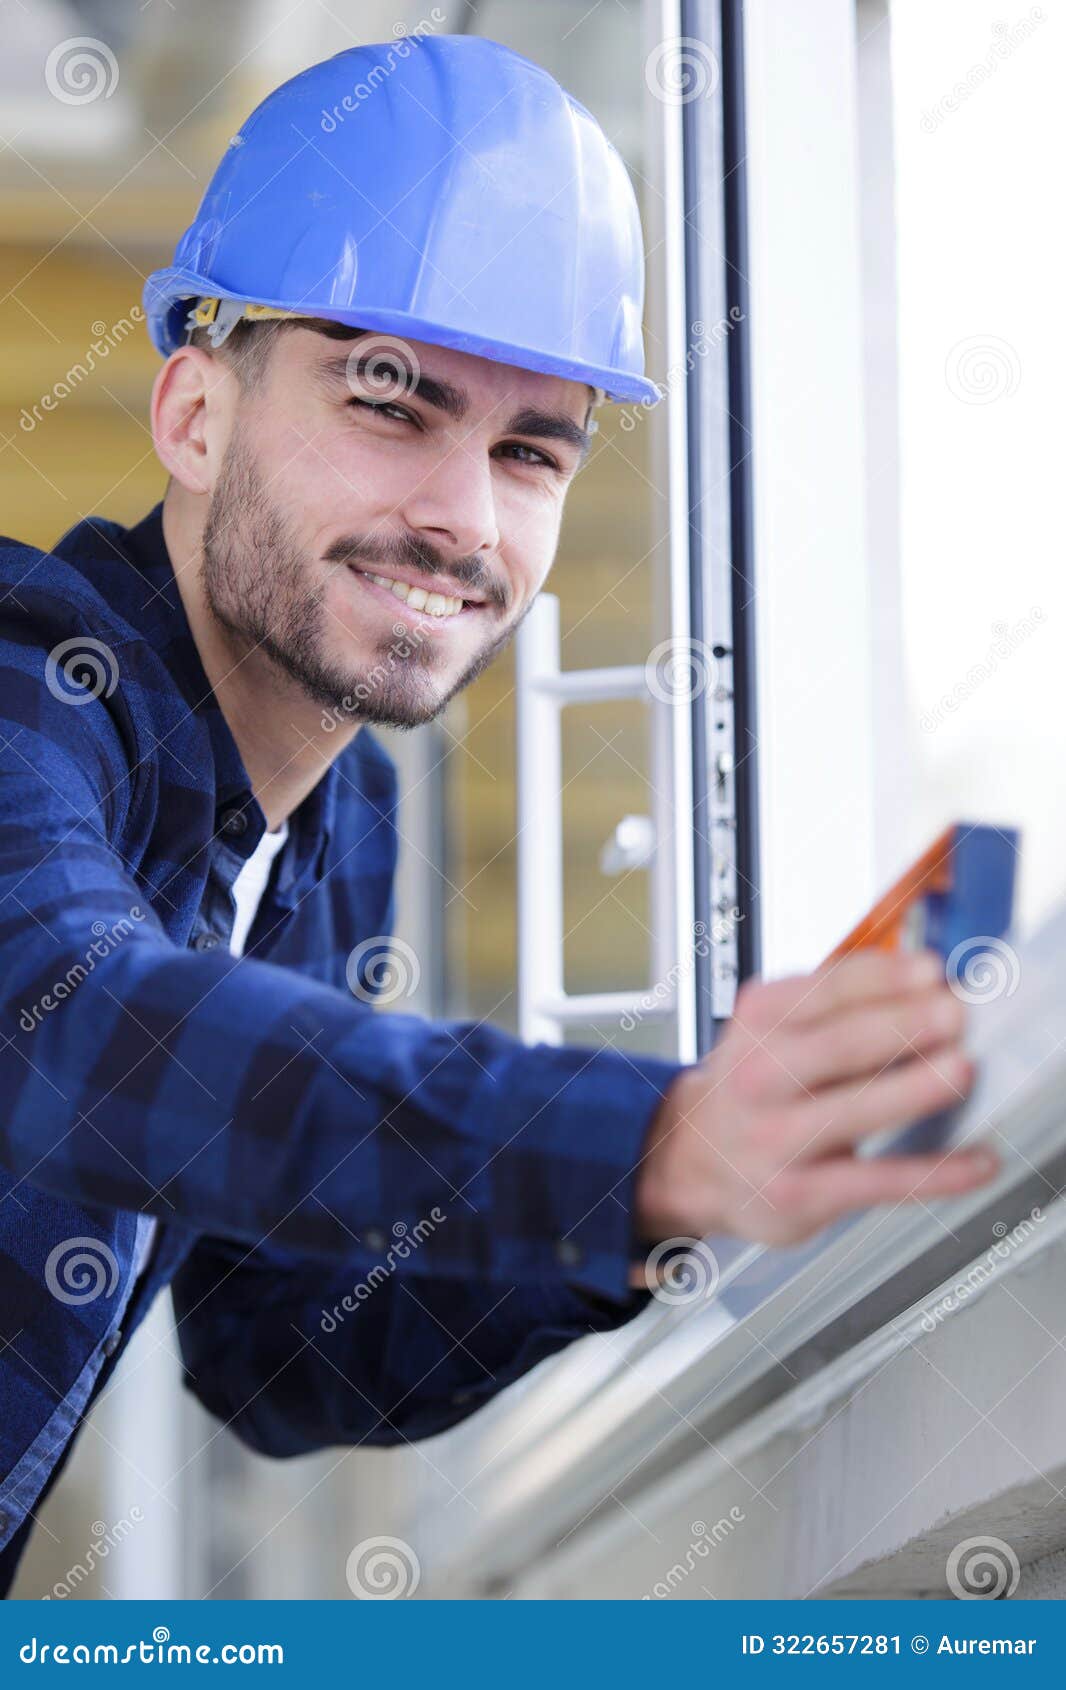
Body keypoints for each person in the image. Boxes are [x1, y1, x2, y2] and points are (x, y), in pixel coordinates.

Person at [0, 33, 996, 1594]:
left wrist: (690, 1187)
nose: (465, 517)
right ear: (193, 413)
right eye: (392, 401)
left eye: (530, 449)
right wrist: (641, 1142)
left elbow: (284, 1349)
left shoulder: (334, 833)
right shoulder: (21, 690)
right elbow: (76, 1039)